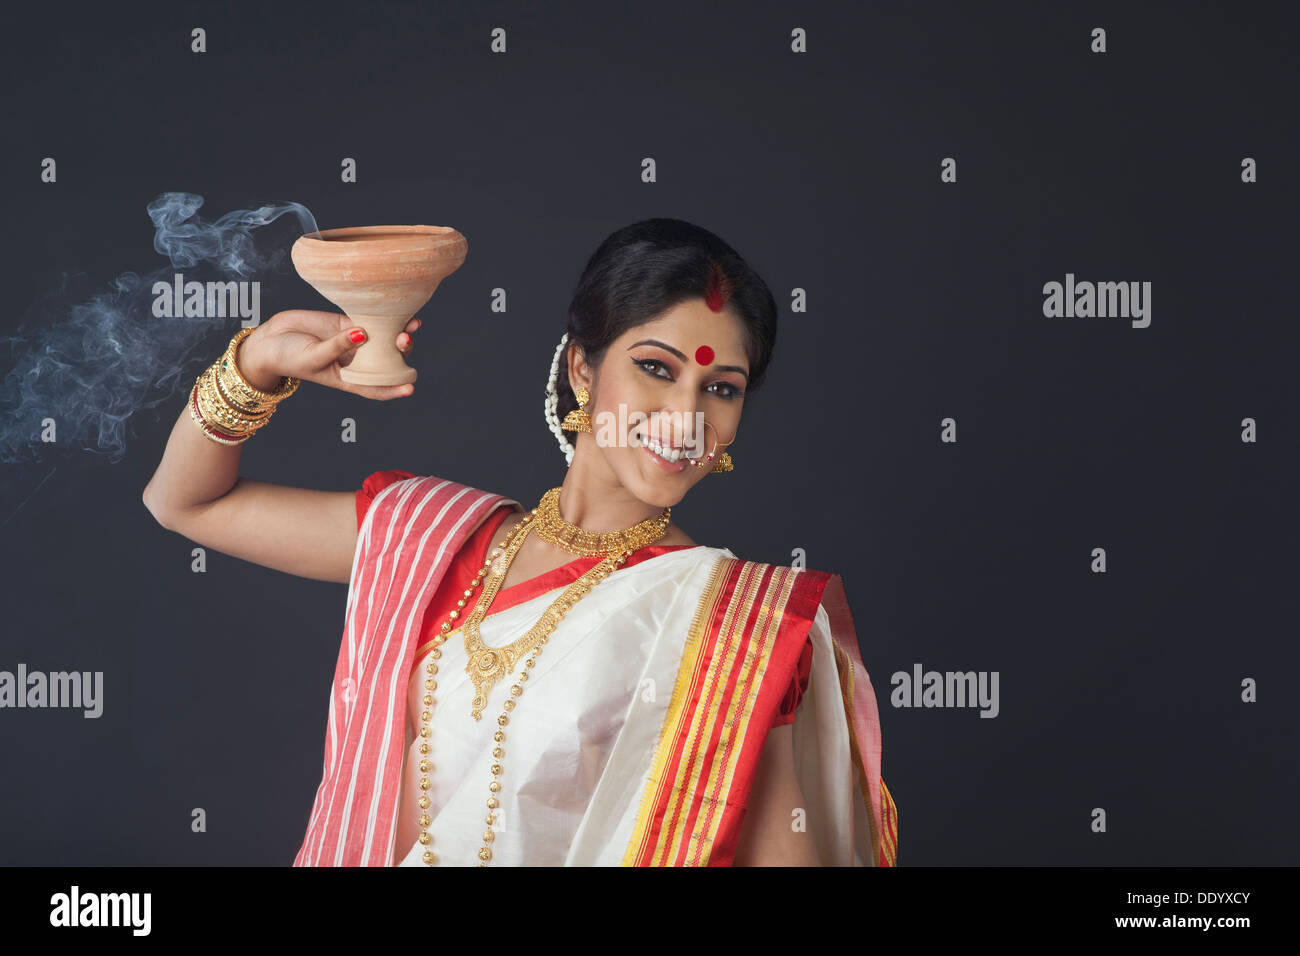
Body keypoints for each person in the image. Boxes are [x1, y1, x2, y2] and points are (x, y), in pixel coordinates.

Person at [143, 218, 898, 866]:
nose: (685, 415)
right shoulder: (434, 539)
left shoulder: (727, 629)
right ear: (581, 367)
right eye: (655, 369)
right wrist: (257, 366)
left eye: (720, 387)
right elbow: (186, 502)